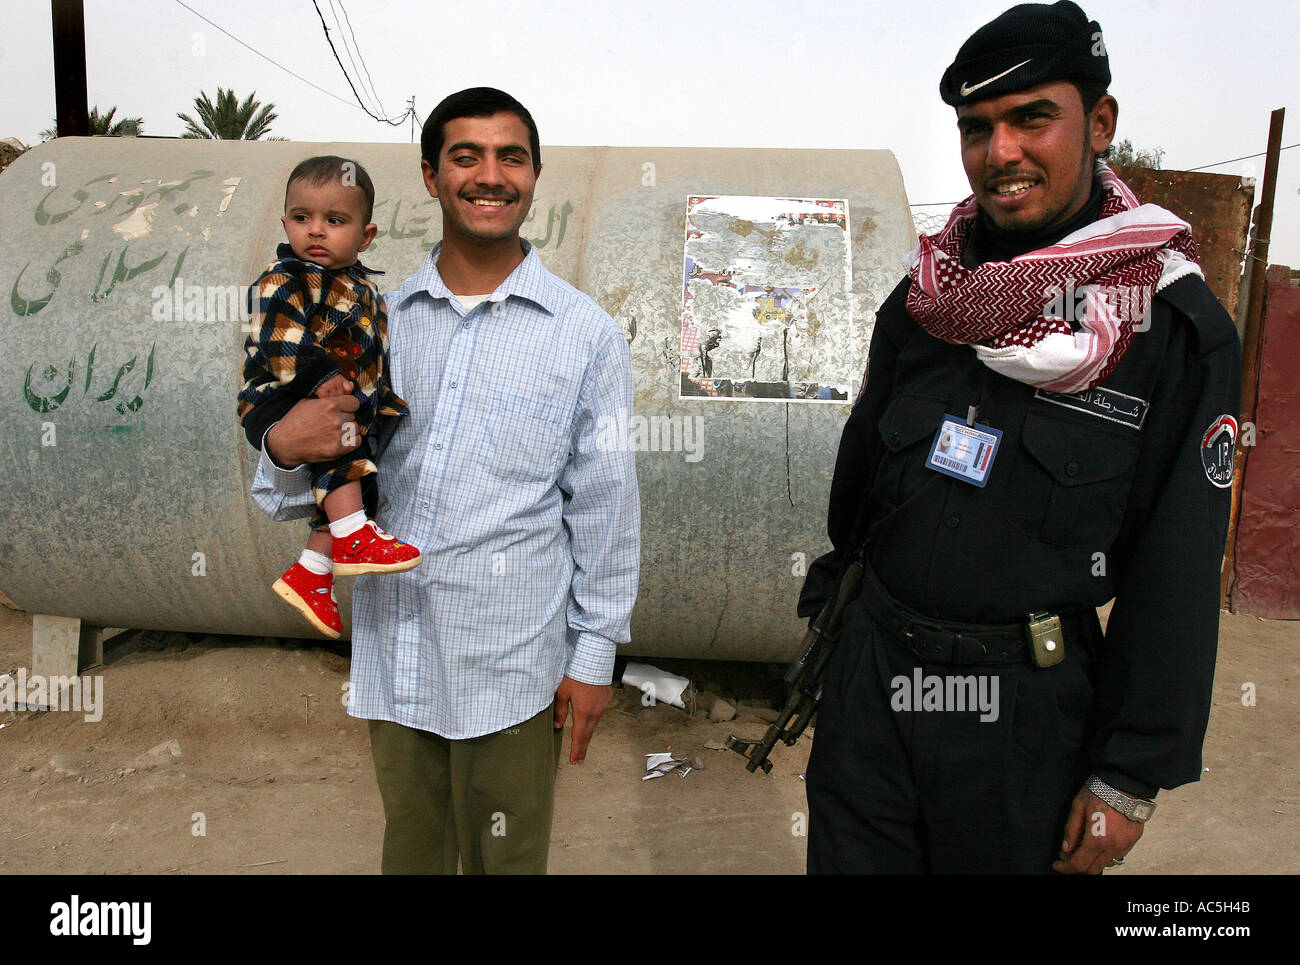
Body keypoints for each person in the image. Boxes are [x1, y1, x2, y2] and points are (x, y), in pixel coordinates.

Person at [798, 1, 1241, 874]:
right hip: (873, 691)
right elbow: (858, 489)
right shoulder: (927, 299)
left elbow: (1174, 572)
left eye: (1032, 117)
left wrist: (1126, 778)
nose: (1000, 153)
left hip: (1023, 720)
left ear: (1099, 122)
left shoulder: (1174, 329)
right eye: (977, 127)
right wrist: (830, 629)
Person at [250, 88, 640, 874]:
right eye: (467, 156)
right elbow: (314, 483)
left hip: (515, 664)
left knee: (507, 861)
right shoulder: (371, 317)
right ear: (431, 175)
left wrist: (594, 655)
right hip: (398, 655)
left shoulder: (585, 335)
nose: (489, 175)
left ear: (533, 176)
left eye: (511, 157)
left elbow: (606, 505)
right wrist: (283, 447)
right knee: (414, 858)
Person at [238, 156, 422, 641]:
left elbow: (372, 354)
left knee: (356, 476)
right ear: (285, 224)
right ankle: (353, 538)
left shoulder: (366, 290)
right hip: (280, 399)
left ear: (365, 236)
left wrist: (380, 401)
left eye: (334, 221)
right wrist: (319, 376)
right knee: (343, 456)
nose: (316, 231)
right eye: (302, 218)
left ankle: (312, 570)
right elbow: (273, 338)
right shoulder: (285, 278)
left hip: (338, 404)